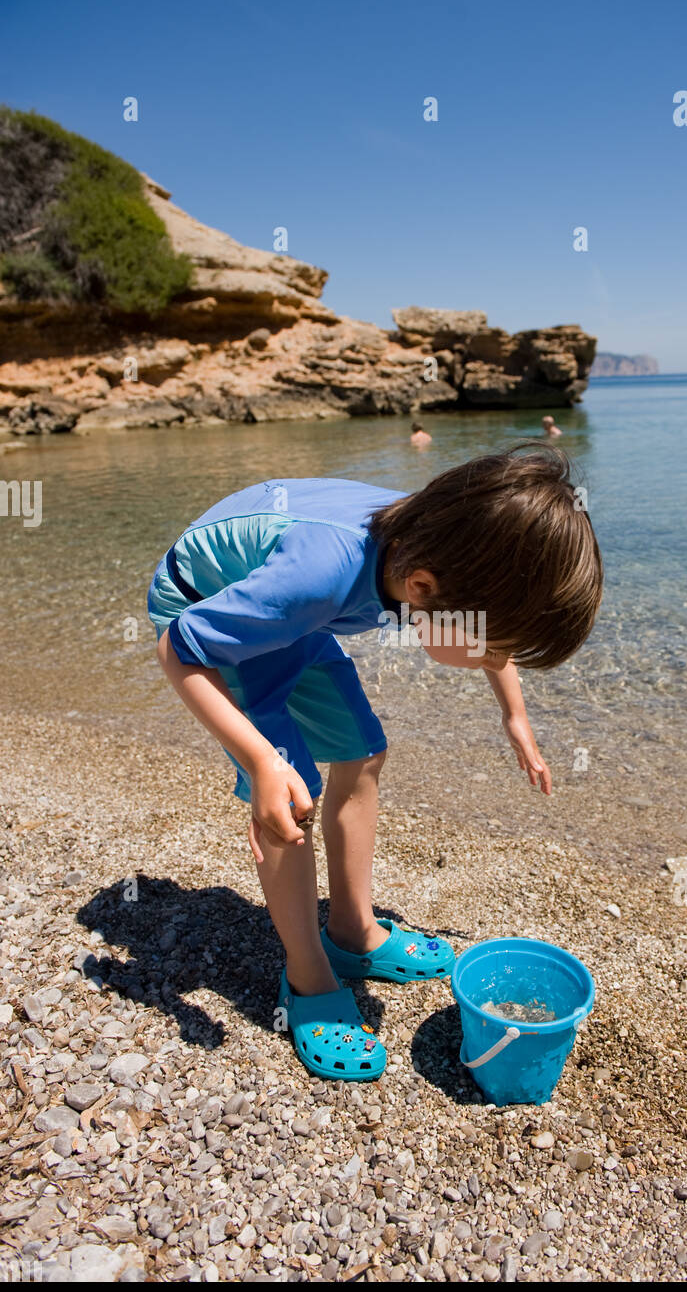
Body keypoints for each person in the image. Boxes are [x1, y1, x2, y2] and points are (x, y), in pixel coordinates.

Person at [147, 445, 603, 1082]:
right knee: (290, 797)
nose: (493, 659)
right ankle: (307, 980)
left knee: (363, 753)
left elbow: (485, 628)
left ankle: (352, 931)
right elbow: (180, 647)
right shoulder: (319, 576)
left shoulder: (426, 543)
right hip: (217, 622)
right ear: (422, 590)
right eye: (489, 648)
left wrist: (515, 718)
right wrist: (259, 762)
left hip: (291, 618)